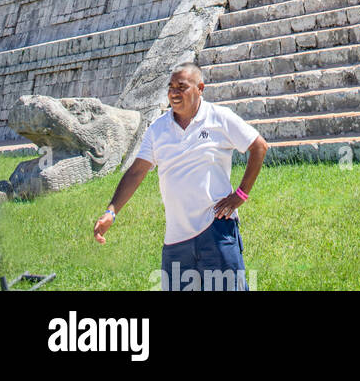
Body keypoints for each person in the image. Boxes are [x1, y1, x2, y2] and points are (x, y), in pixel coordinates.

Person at [93, 62, 268, 291]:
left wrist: (241, 194)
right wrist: (111, 211)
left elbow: (259, 146)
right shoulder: (158, 129)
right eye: (171, 87)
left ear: (200, 88)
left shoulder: (219, 118)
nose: (174, 93)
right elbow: (136, 171)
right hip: (176, 240)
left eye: (181, 87)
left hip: (216, 231)